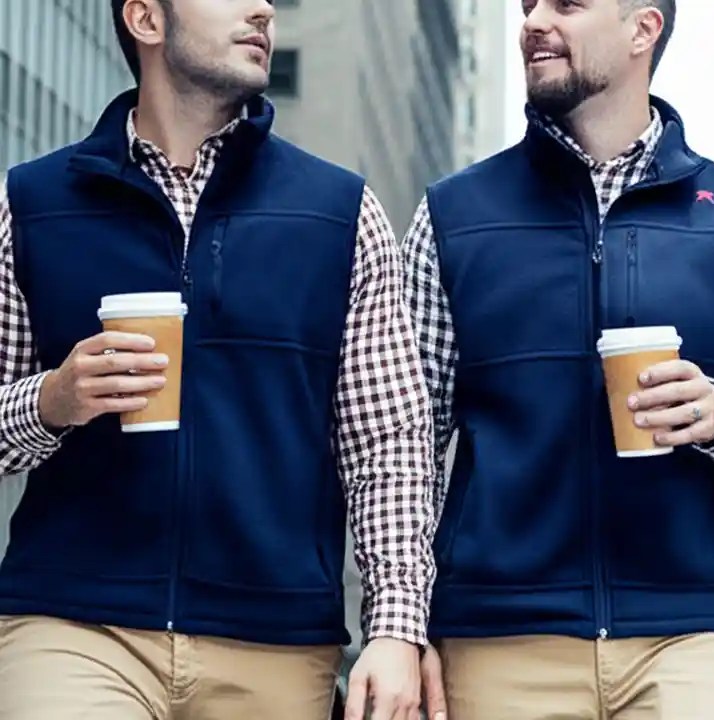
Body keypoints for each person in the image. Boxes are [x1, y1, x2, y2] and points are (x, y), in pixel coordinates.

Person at [401, 0, 714, 717]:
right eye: (528, 5)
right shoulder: (453, 218)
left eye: (567, 5)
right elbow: (402, 443)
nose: (534, 21)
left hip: (690, 637)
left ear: (643, 28)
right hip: (501, 635)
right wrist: (402, 625)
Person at [0, 1, 435, 718]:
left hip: (273, 638)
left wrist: (394, 626)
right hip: (74, 622)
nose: (262, 8)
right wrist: (51, 401)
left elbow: (387, 443)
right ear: (146, 18)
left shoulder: (340, 214)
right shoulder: (33, 204)